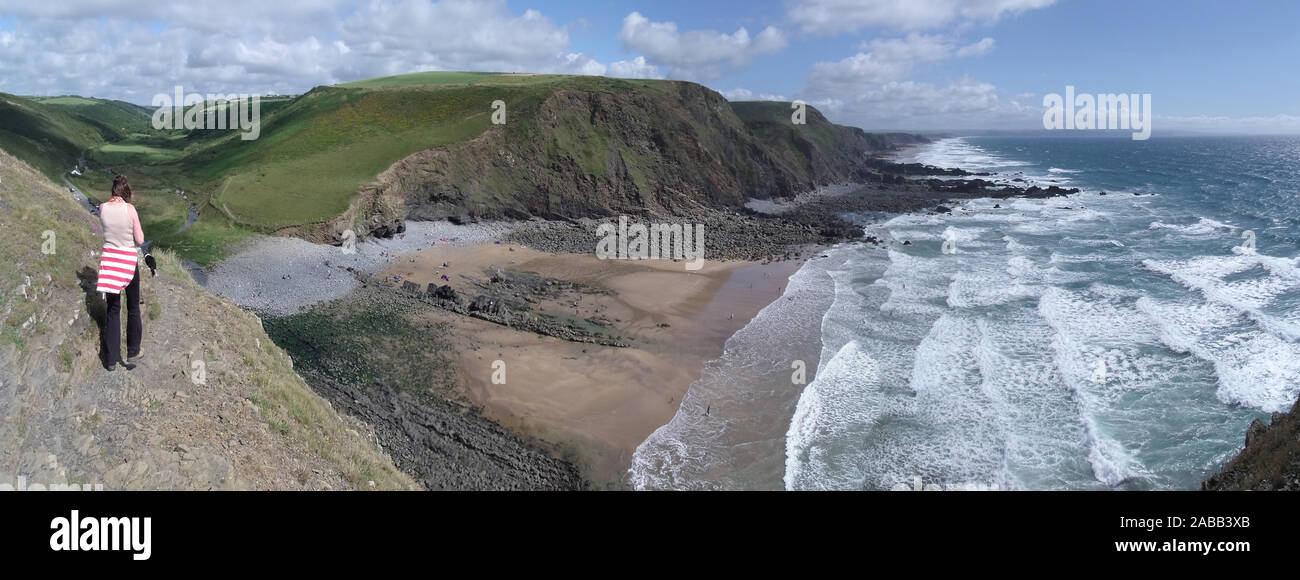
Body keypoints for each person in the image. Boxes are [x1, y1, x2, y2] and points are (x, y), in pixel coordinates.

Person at [96, 175, 145, 371]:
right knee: (133, 306)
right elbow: (140, 240)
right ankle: (133, 350)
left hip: (110, 263)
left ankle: (110, 360)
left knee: (113, 308)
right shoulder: (130, 209)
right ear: (126, 192)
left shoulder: (102, 208)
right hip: (128, 263)